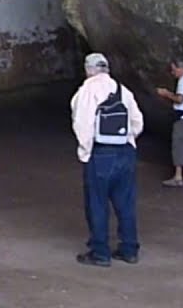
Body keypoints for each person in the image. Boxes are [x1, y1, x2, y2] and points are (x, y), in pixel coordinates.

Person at [70, 53, 145, 267]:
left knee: (97, 203)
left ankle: (100, 252)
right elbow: (138, 122)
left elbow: (82, 125)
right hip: (125, 153)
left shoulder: (86, 91)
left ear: (88, 69)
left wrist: (85, 152)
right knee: (126, 203)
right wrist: (127, 139)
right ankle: (129, 249)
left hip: (100, 154)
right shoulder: (123, 91)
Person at [156, 59, 183, 187]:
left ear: (180, 68)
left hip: (182, 119)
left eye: (173, 70)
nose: (172, 73)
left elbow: (180, 99)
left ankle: (178, 175)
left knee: (178, 146)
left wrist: (166, 94)